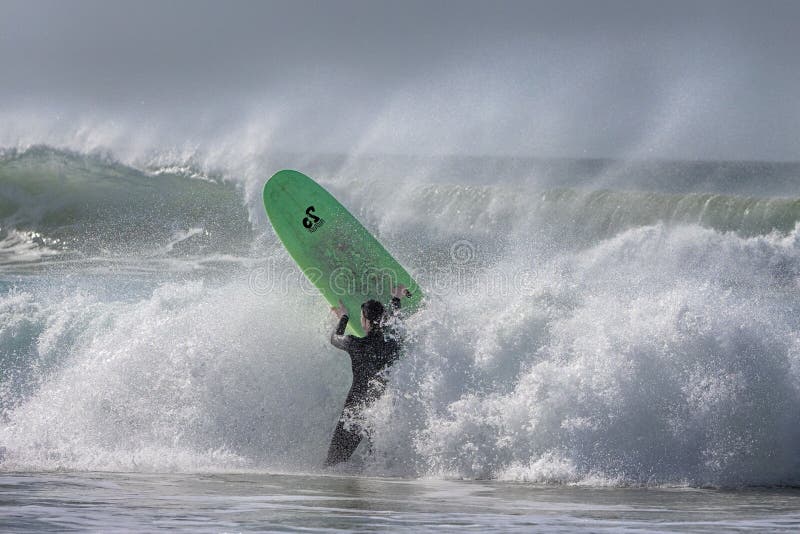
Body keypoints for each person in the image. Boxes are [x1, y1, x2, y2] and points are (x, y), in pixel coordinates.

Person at [325, 284, 410, 466]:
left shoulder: (355, 344)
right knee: (376, 464)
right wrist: (396, 298)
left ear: (365, 322)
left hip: (355, 412)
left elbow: (334, 338)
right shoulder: (392, 344)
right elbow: (398, 326)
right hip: (378, 413)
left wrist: (344, 317)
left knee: (333, 463)